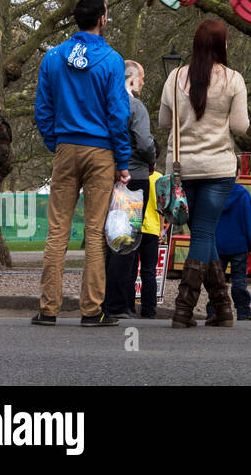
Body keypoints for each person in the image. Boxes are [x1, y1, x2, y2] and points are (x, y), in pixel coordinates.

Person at [32, 0, 131, 327]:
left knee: (57, 229)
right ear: (102, 19)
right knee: (93, 232)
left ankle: (49, 308)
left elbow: (42, 109)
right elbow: (118, 114)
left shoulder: (54, 57)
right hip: (101, 151)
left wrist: (55, 141)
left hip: (66, 147)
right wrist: (123, 158)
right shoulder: (112, 60)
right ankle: (91, 310)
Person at [159, 18, 250, 328]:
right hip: (218, 166)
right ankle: (183, 308)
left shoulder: (174, 77)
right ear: (221, 45)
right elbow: (240, 126)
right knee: (203, 233)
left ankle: (222, 308)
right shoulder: (233, 79)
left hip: (183, 169)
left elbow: (162, 121)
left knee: (202, 233)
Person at [102, 60, 158, 317]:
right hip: (134, 177)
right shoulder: (136, 107)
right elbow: (145, 144)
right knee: (126, 242)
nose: (143, 83)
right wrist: (151, 161)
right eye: (142, 78)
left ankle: (109, 300)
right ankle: (119, 304)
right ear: (132, 78)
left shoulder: (103, 104)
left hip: (106, 176)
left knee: (109, 240)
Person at [206, 182, 251, 322]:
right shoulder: (243, 194)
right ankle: (243, 311)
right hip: (239, 245)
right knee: (239, 280)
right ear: (239, 172)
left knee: (217, 280)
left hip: (217, 243)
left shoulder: (214, 191)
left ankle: (213, 310)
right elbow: (250, 220)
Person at [138, 165, 165, 318]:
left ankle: (127, 307)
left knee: (129, 270)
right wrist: (161, 229)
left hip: (134, 227)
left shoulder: (134, 174)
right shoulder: (159, 178)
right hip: (153, 230)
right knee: (149, 272)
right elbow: (162, 207)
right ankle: (148, 310)